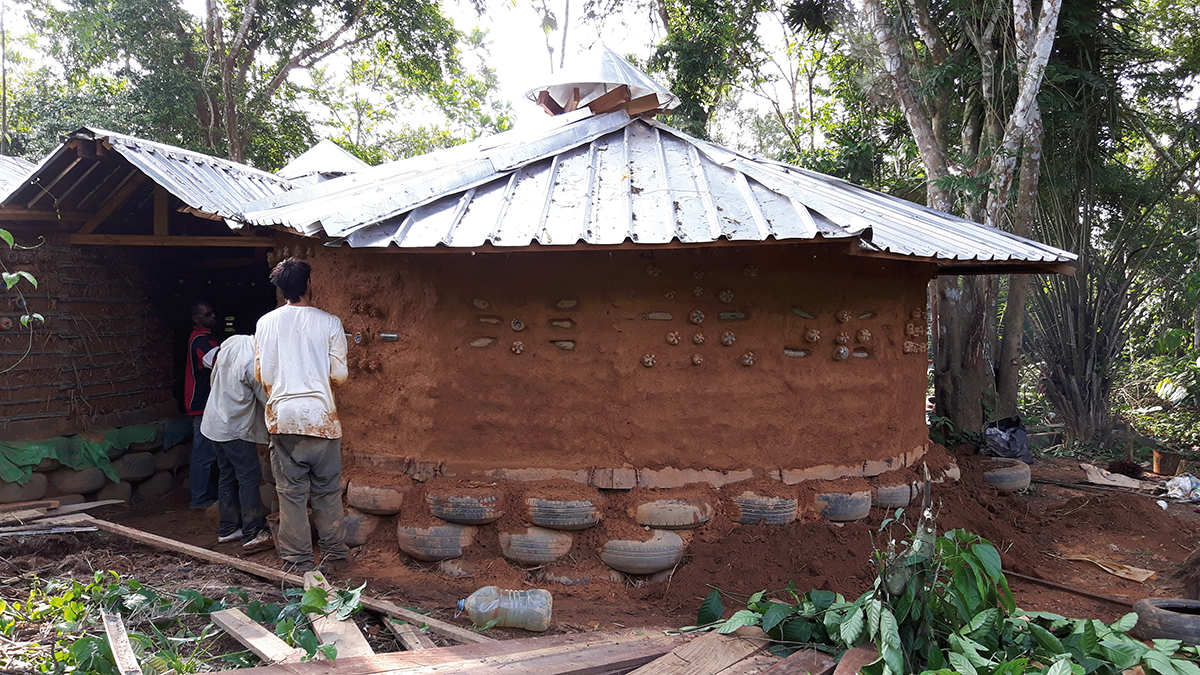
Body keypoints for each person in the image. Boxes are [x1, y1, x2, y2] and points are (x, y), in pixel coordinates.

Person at [254, 258, 350, 573]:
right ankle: (334, 557)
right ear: (309, 285)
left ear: (281, 289)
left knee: (291, 496)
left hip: (284, 421)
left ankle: (297, 562)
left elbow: (262, 374)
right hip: (321, 419)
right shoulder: (330, 322)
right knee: (326, 492)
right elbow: (339, 376)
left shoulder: (265, 323)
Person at [200, 334, 272, 551]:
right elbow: (267, 400)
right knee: (249, 476)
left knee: (227, 474)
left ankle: (228, 528)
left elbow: (207, 360)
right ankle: (252, 532)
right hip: (234, 428)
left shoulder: (232, 342)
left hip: (214, 424)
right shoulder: (254, 362)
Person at [185, 301, 221, 510]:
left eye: (212, 312)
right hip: (202, 403)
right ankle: (199, 498)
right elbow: (217, 361)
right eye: (207, 314)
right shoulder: (200, 340)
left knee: (208, 451)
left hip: (206, 402)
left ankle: (205, 493)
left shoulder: (206, 337)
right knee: (203, 453)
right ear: (196, 319)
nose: (212, 316)